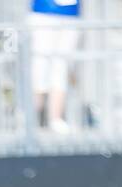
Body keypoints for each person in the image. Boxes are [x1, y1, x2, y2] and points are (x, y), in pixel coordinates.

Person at [28, 0, 81, 132]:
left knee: (61, 67)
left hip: (70, 15)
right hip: (43, 14)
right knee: (40, 67)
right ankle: (32, 119)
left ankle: (55, 119)